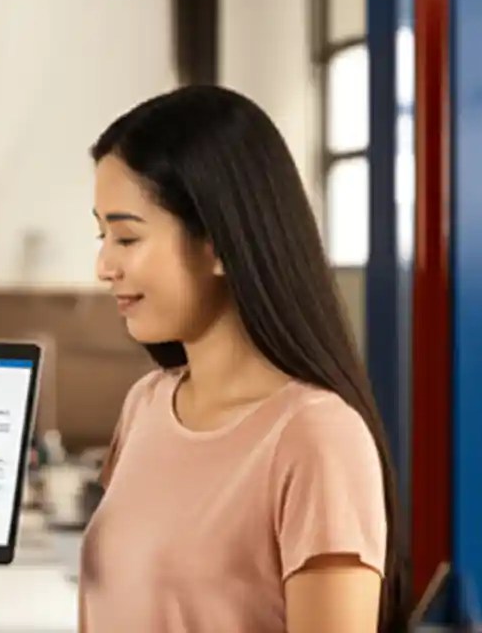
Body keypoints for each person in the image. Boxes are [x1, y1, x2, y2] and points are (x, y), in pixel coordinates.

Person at [79, 85, 408, 633]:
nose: (103, 266)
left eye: (126, 238)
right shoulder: (145, 406)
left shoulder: (316, 437)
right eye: (101, 235)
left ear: (217, 243)